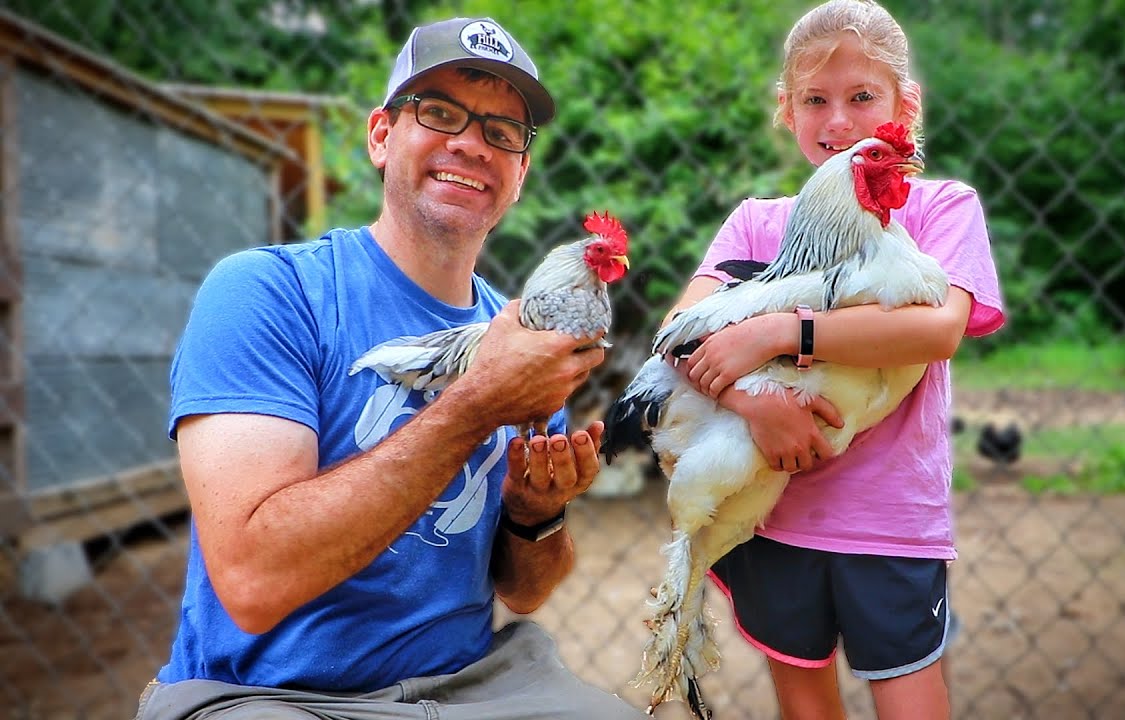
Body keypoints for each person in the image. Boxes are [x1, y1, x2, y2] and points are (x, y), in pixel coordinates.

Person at [135, 16, 647, 720]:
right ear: (382, 136)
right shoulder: (267, 292)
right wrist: (474, 406)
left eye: (503, 132)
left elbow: (524, 591)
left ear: (520, 174)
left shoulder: (526, 342)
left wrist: (537, 516)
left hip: (466, 687)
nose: (471, 142)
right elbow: (253, 581)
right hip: (269, 694)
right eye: (439, 113)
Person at [661, 2, 1005, 718]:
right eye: (815, 100)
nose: (837, 120)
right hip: (772, 510)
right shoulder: (757, 221)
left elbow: (938, 330)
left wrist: (781, 332)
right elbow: (679, 333)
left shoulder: (942, 207)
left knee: (912, 702)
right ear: (785, 110)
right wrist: (757, 405)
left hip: (891, 521)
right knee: (806, 705)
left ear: (904, 107)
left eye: (861, 97)